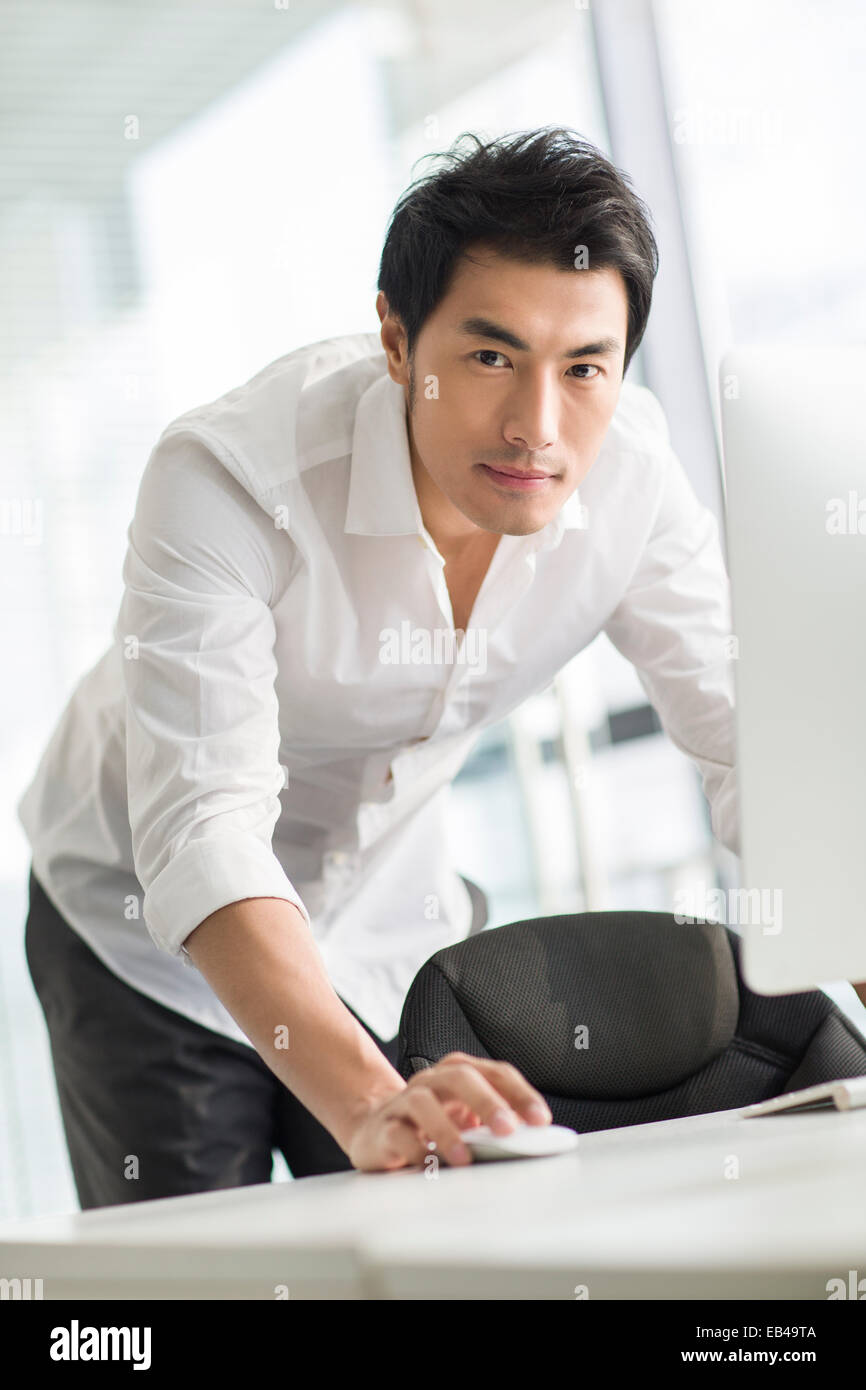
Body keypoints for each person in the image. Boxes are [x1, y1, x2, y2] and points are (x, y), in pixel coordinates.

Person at [18, 126, 740, 1210]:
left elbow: (748, 742)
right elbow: (204, 828)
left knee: (423, 1224)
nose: (537, 427)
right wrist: (361, 1100)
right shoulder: (228, 476)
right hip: (143, 934)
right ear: (396, 342)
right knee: (192, 1273)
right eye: (490, 357)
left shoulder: (631, 480)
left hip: (385, 925)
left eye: (584, 367)